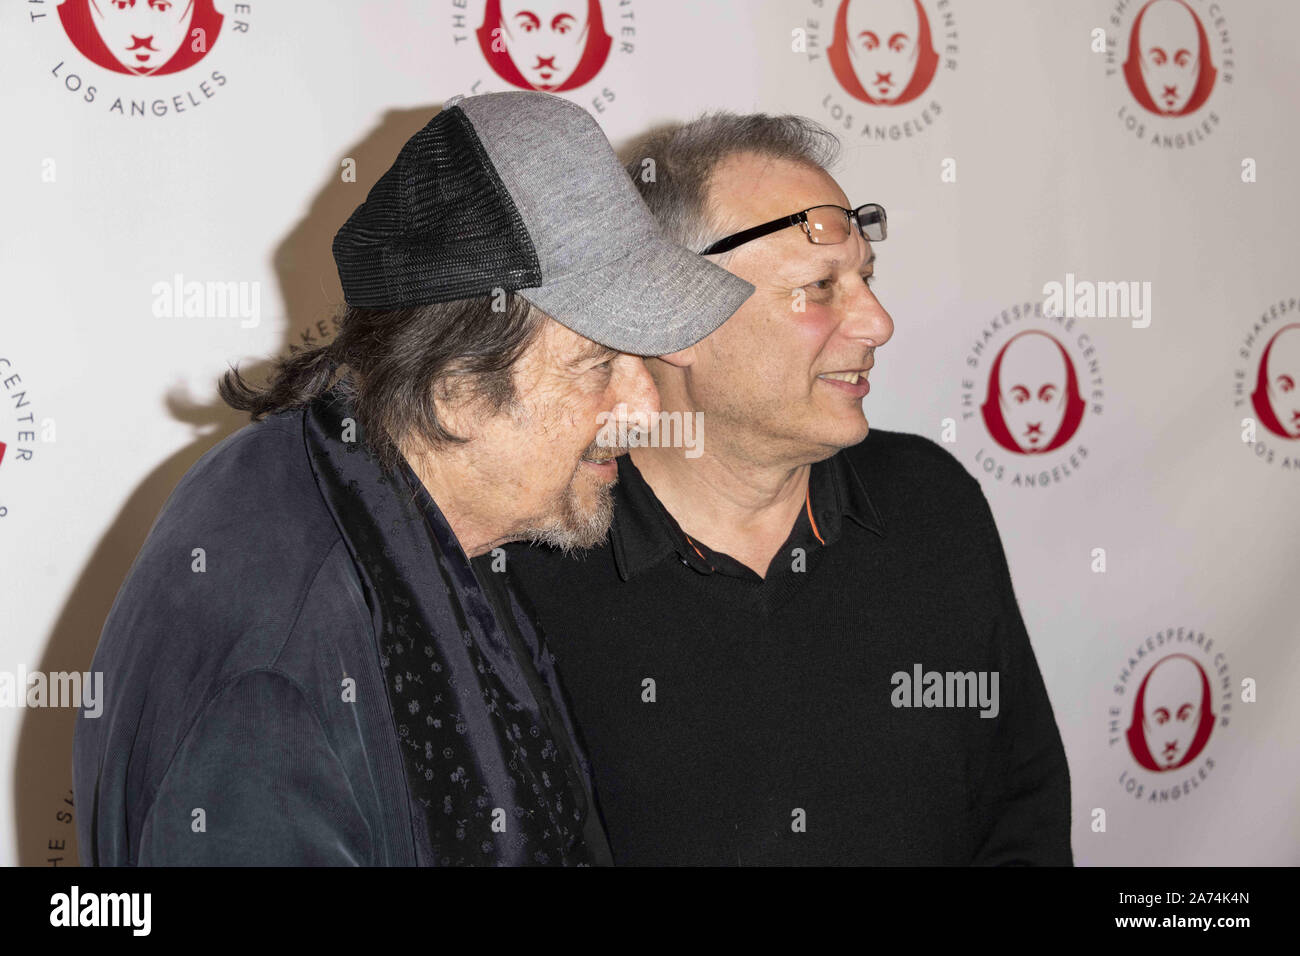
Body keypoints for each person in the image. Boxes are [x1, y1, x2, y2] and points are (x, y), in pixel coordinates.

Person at [72, 91, 753, 866]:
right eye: (599, 364)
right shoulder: (276, 671)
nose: (642, 407)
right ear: (453, 389)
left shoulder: (370, 494)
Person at [503, 112, 1074, 865]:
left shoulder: (930, 503)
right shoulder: (535, 564)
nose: (877, 322)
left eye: (865, 278)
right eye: (820, 288)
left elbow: (1019, 810)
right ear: (679, 321)